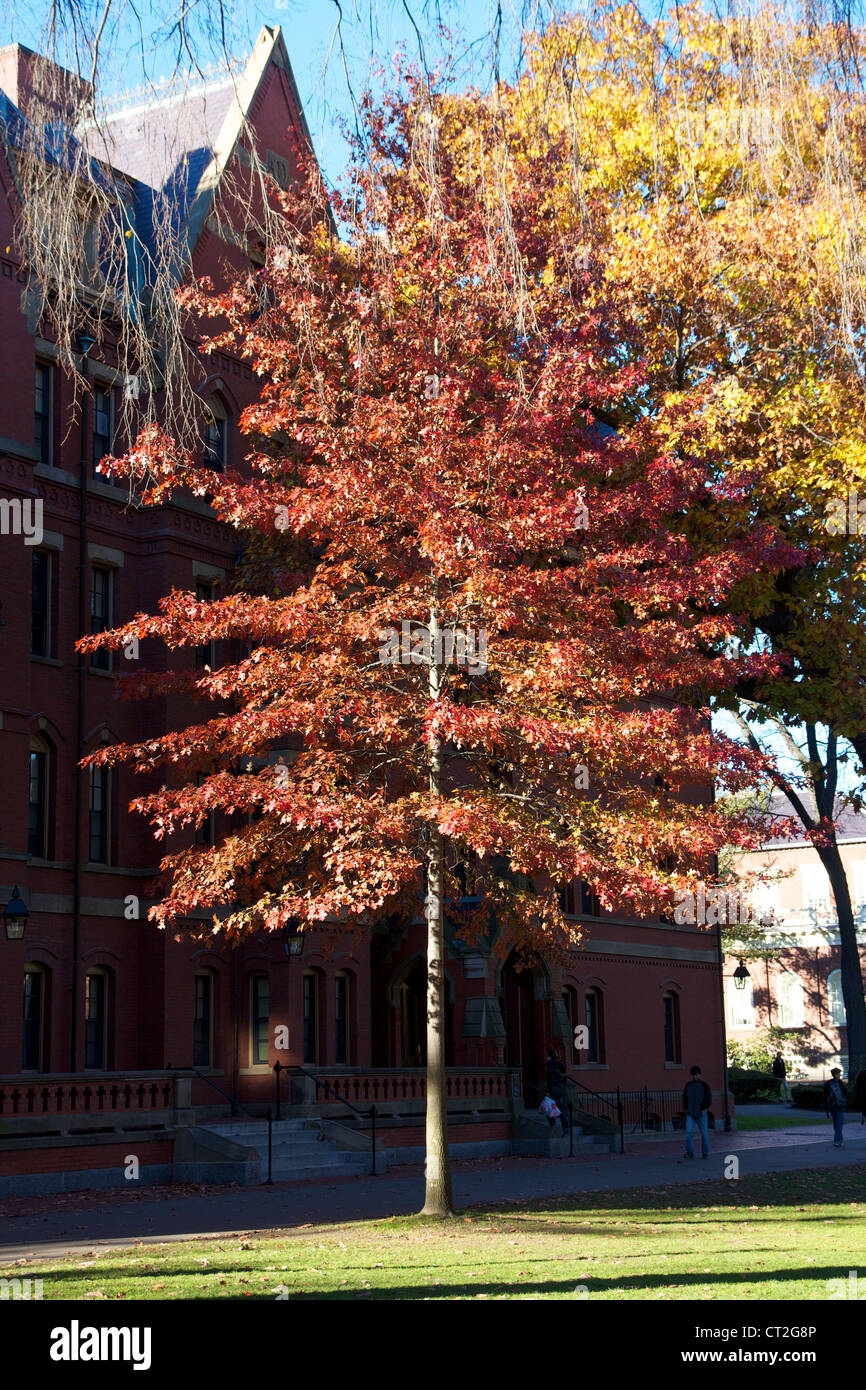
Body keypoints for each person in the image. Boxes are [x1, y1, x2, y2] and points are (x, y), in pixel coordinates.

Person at [682, 1065, 712, 1159]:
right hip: (690, 1113)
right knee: (688, 1132)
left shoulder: (704, 1086)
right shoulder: (688, 1085)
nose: (695, 1076)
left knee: (704, 1134)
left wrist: (703, 1108)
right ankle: (690, 1151)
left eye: (697, 1074)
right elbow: (685, 1098)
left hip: (701, 1113)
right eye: (694, 1075)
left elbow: (708, 1098)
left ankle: (705, 1152)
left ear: (700, 1074)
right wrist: (686, 1108)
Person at [545, 1049, 570, 1137]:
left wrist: (547, 1091)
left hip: (553, 1089)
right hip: (560, 1088)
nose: (546, 1057)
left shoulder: (550, 1065)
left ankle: (552, 1123)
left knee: (548, 1106)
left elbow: (550, 1079)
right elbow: (564, 1076)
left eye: (547, 1056)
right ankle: (566, 1127)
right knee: (559, 1108)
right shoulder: (560, 1064)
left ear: (550, 1056)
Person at [824, 1068, 850, 1147]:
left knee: (836, 1124)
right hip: (840, 1105)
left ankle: (839, 1139)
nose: (840, 1075)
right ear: (836, 1074)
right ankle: (838, 1140)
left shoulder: (828, 1083)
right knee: (839, 1124)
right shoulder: (840, 1083)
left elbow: (825, 1096)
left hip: (833, 1106)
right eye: (839, 1074)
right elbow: (846, 1093)